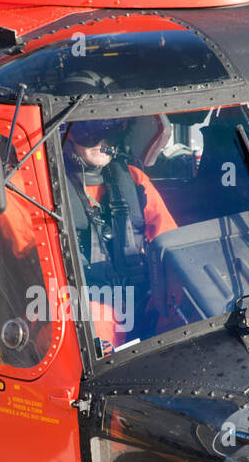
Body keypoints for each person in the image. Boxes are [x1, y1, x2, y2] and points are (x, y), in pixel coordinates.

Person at [61, 116, 178, 351]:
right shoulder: (47, 188)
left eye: (109, 131)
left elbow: (173, 248)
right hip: (84, 319)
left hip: (142, 306)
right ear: (68, 134)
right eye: (90, 131)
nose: (101, 140)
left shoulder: (134, 180)